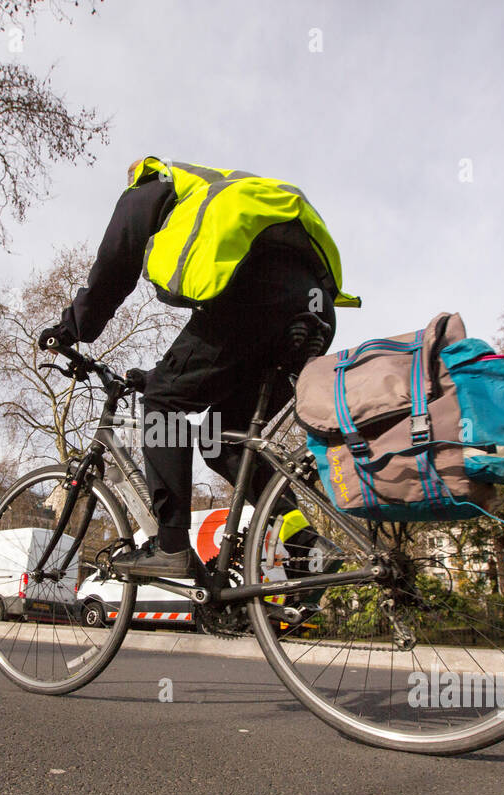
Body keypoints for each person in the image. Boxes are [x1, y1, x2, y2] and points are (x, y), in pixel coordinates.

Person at [39, 157, 359, 579]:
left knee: (162, 403)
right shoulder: (237, 196)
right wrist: (156, 375)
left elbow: (116, 261)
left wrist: (72, 328)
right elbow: (221, 360)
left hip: (258, 294)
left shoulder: (154, 183)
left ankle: (170, 546)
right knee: (220, 440)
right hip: (313, 311)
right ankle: (307, 546)